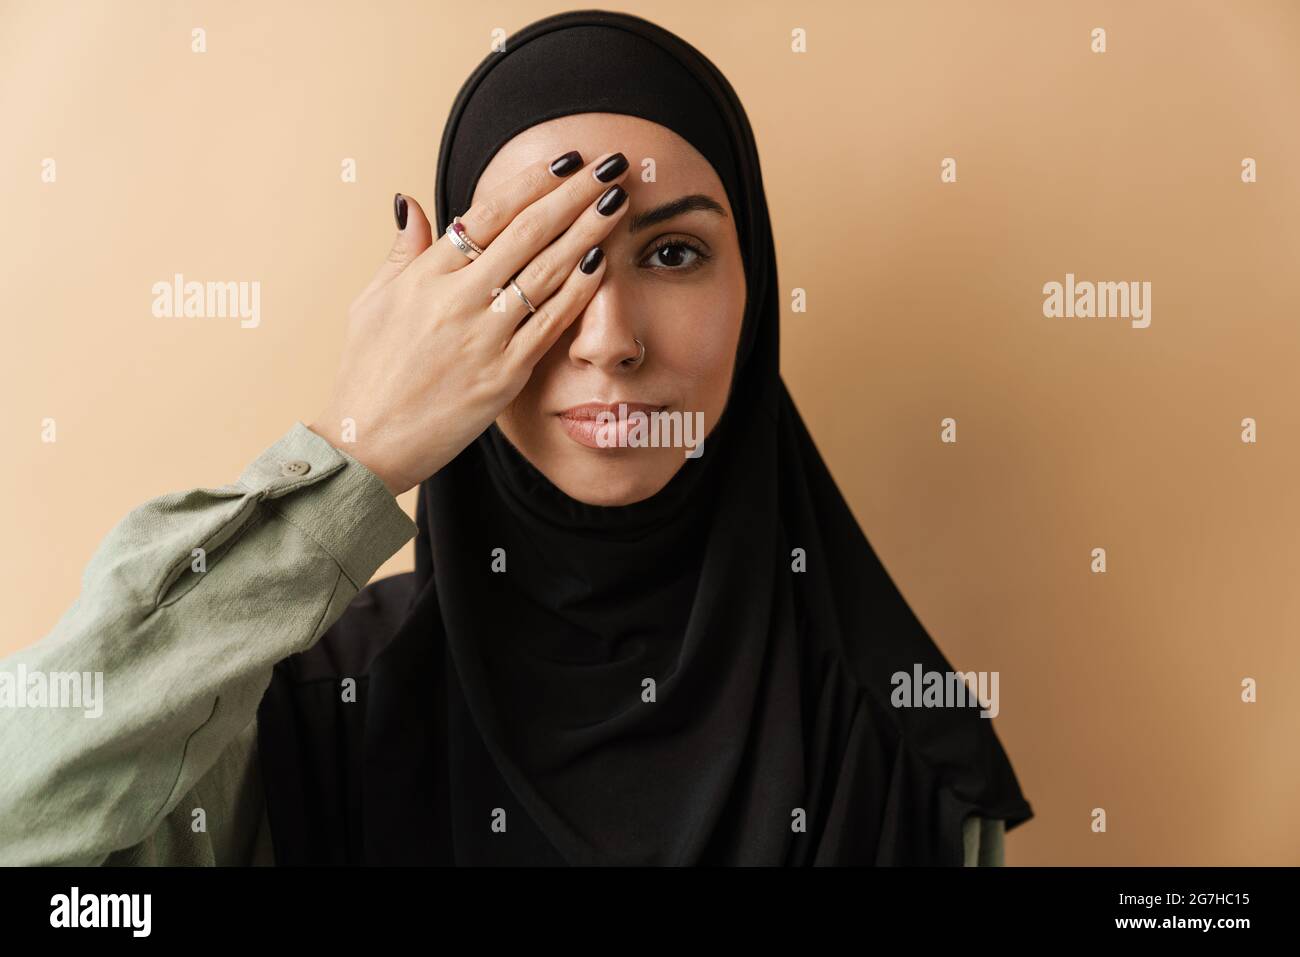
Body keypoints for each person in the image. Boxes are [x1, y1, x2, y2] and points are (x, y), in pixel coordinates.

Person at [0, 9, 1031, 866]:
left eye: (673, 251)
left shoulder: (898, 745)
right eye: (530, 268)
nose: (610, 339)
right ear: (439, 306)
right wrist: (353, 453)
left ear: (754, 292)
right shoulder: (302, 709)